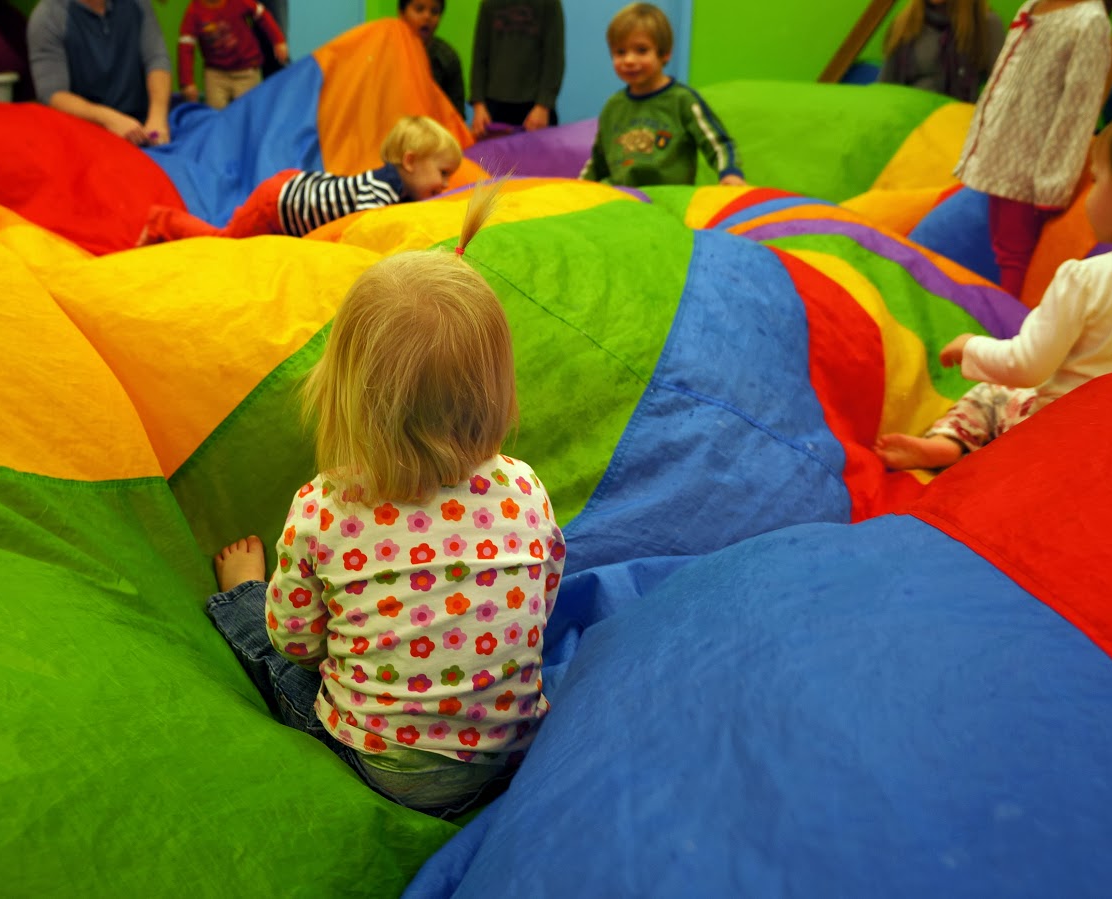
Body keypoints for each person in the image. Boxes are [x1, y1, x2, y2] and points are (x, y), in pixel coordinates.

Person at [204, 180, 567, 818]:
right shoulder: (526, 487)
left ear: (346, 391)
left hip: (386, 769)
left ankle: (237, 591)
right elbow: (546, 590)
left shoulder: (324, 507)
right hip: (515, 755)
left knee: (265, 645)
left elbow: (295, 643)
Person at [875, 100, 1112, 472]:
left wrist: (972, 346)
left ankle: (948, 442)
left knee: (996, 391)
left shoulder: (1087, 278)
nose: (1090, 193)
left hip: (1062, 435)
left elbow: (1025, 366)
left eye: (1097, 180)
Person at [954, 0, 1109, 300]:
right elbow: (1005, 76)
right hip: (1001, 149)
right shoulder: (1034, 5)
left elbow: (1078, 109)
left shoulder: (1088, 21)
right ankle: (1004, 318)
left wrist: (1054, 178)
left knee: (1015, 253)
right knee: (1002, 247)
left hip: (1031, 160)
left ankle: (1010, 327)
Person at [138, 115, 461, 243]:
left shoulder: (398, 193)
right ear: (410, 161)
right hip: (278, 201)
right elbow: (358, 240)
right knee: (227, 241)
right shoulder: (379, 194)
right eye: (443, 173)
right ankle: (162, 221)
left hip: (298, 187)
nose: (445, 185)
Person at [582, 3, 745, 189]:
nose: (629, 60)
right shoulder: (613, 107)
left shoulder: (682, 100)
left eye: (641, 50)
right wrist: (578, 189)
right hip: (623, 199)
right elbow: (598, 161)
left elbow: (719, 143)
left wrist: (730, 173)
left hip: (669, 198)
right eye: (620, 52)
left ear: (665, 53)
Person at [27, 0, 171, 145]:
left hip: (145, 124)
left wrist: (157, 118)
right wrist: (107, 119)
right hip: (88, 134)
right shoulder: (48, 16)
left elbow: (156, 59)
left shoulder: (138, 4)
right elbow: (52, 94)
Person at [878, 0, 1006, 103]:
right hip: (909, 123)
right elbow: (883, 91)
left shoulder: (985, 24)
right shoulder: (904, 24)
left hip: (958, 124)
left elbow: (1004, 92)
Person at [469, 0, 563, 139]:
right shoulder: (489, 3)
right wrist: (479, 105)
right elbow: (480, 55)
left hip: (534, 108)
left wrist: (543, 105)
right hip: (493, 107)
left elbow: (554, 57)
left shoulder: (549, 3)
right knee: (495, 160)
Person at [176, 0, 288, 109]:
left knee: (246, 111)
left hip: (246, 70)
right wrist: (187, 83)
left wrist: (278, 41)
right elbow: (185, 46)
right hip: (216, 74)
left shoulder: (238, 2)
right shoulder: (194, 11)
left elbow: (262, 15)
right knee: (215, 111)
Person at [400, 0, 464, 115]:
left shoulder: (448, 58)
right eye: (419, 9)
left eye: (434, 12)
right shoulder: (387, 51)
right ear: (401, 14)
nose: (427, 17)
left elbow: (456, 116)